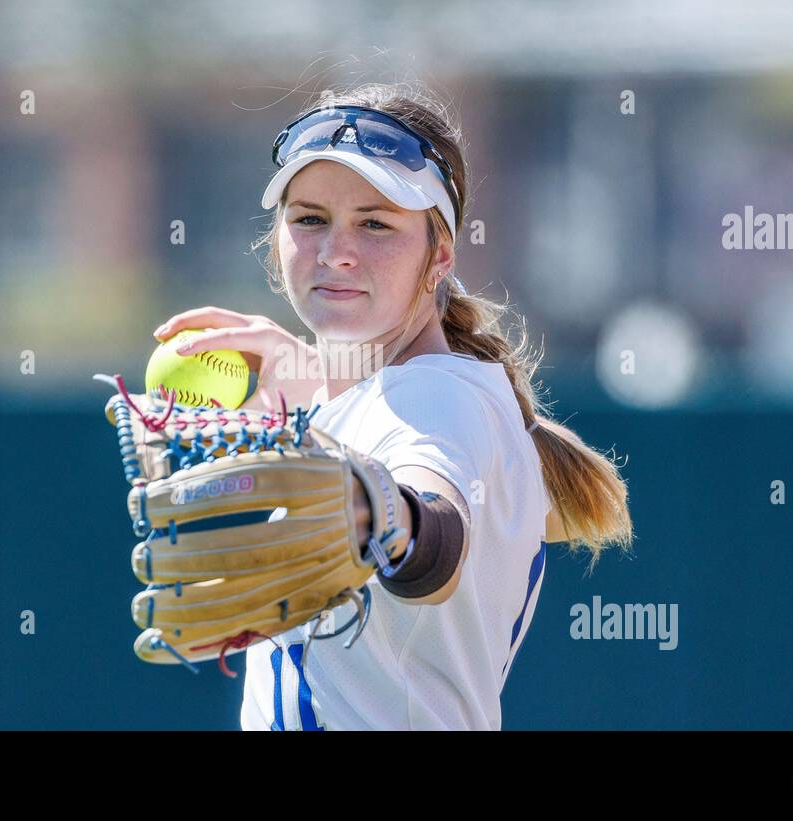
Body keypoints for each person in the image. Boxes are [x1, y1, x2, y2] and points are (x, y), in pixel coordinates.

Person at [151, 83, 633, 730]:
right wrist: (317, 380)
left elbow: (435, 539)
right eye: (309, 218)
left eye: (376, 223)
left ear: (439, 256)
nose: (335, 250)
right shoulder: (402, 395)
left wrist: (388, 515)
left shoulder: (437, 397)